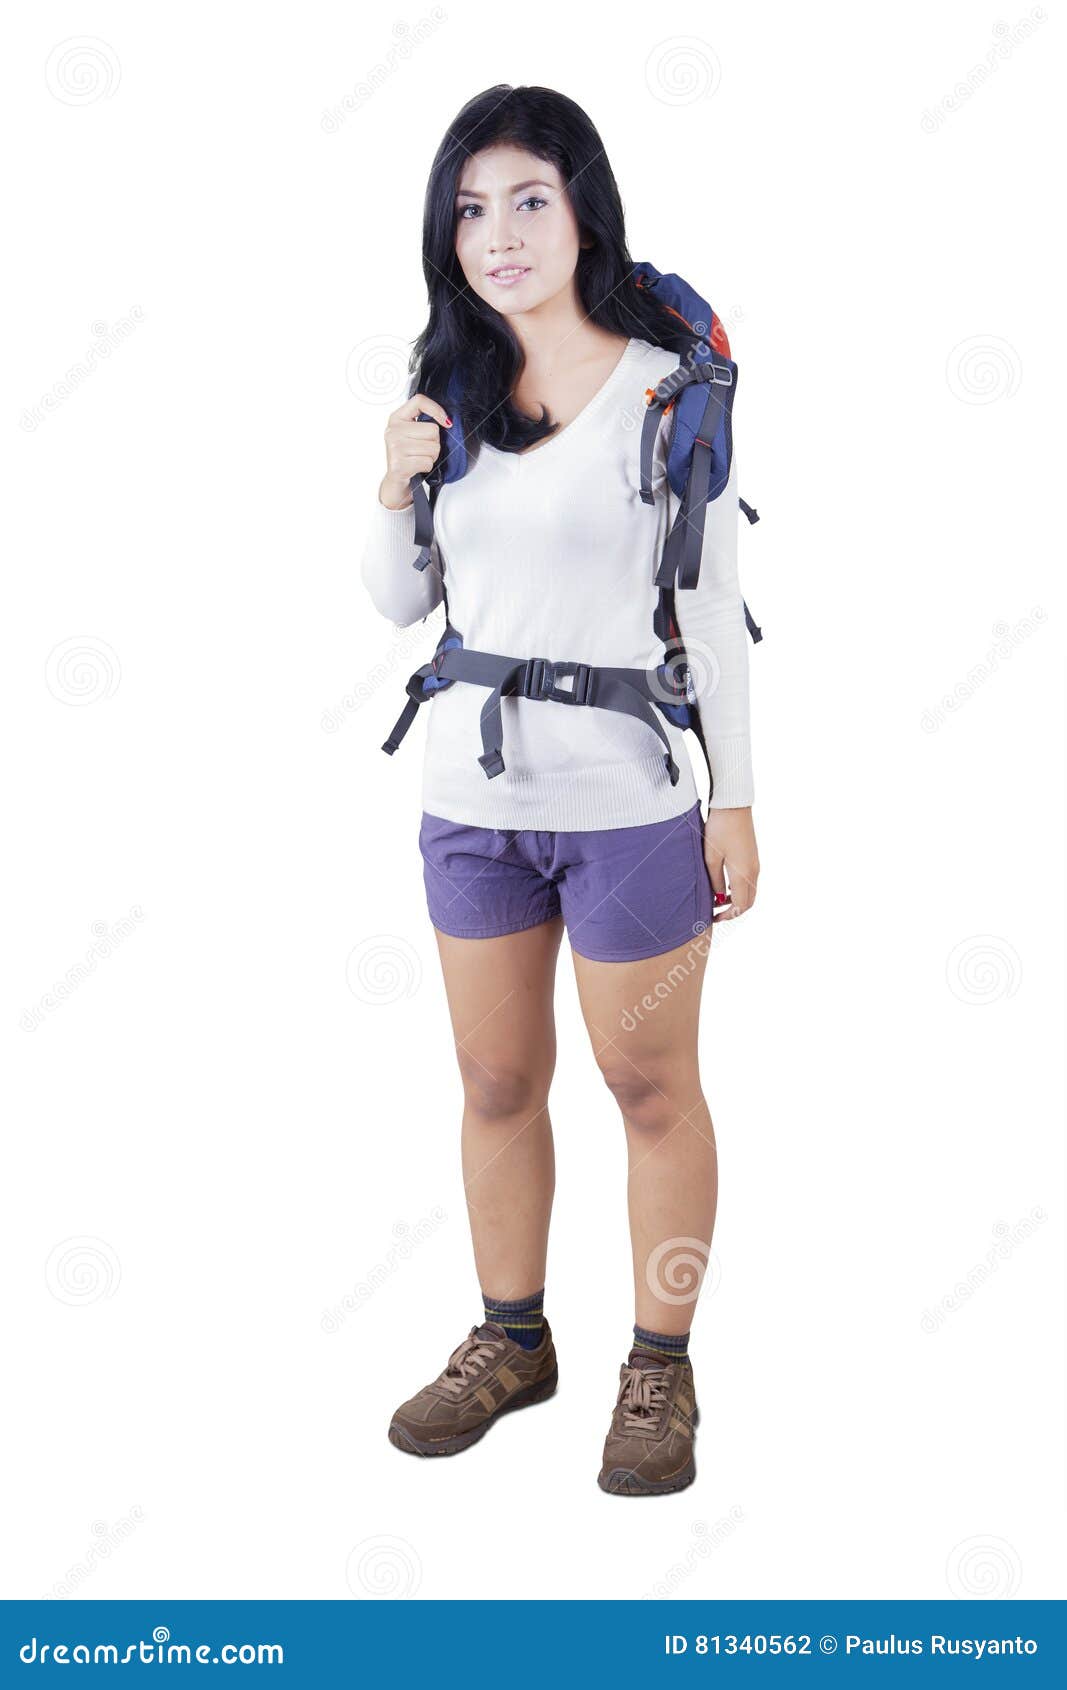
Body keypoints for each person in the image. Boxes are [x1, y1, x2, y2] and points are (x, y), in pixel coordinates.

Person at [359, 84, 759, 1495]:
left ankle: (660, 1361)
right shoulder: (448, 386)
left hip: (628, 802)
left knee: (648, 1082)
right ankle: (512, 1339)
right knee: (494, 1076)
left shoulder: (668, 385)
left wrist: (733, 796)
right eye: (472, 209)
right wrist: (394, 481)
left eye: (530, 199)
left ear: (584, 208)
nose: (501, 234)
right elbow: (398, 600)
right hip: (472, 801)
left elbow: (709, 609)